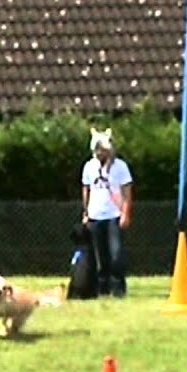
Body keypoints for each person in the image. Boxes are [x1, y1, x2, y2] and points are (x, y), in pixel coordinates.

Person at [80, 127, 134, 297]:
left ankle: (118, 288)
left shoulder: (120, 167)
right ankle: (102, 288)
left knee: (116, 254)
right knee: (99, 256)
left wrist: (125, 213)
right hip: (95, 216)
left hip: (114, 216)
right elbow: (86, 189)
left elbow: (126, 191)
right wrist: (86, 212)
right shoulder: (89, 167)